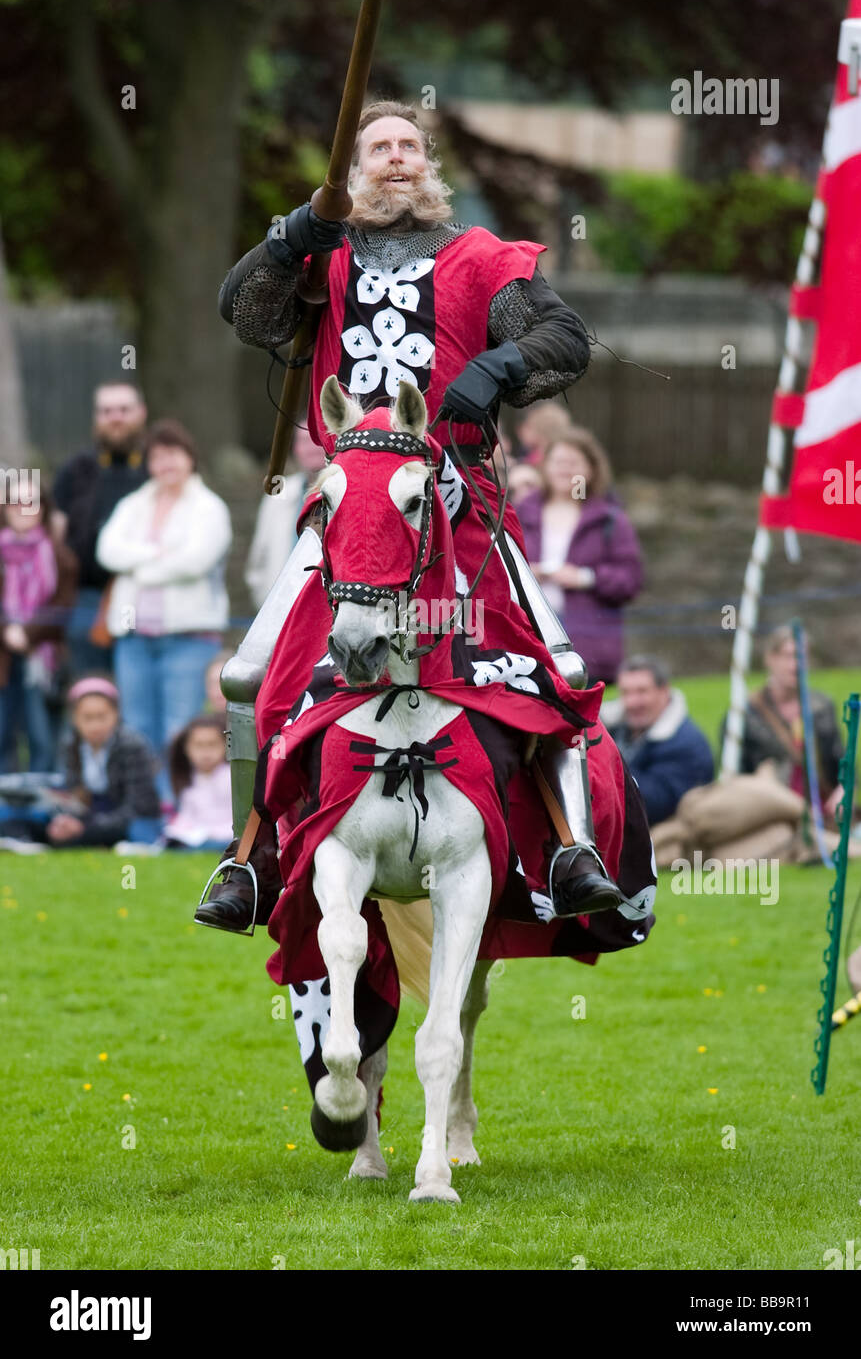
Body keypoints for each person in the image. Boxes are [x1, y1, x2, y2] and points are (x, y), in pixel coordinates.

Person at [201, 98, 655, 950]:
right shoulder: (318, 259)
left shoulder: (480, 257)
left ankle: (569, 851)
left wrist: (497, 364)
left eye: (409, 146)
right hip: (346, 518)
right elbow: (246, 311)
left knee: (550, 664)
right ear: (353, 167)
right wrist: (296, 231)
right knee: (252, 671)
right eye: (378, 148)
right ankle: (251, 857)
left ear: (429, 164)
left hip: (456, 510)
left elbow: (565, 336)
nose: (396, 159)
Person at [95, 419, 231, 799]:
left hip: (188, 638)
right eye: (156, 456)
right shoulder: (134, 503)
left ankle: (181, 812)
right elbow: (107, 551)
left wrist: (136, 565)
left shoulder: (209, 507)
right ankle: (144, 812)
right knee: (137, 728)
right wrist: (157, 555)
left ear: (189, 457)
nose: (165, 463)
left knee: (182, 728)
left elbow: (195, 561)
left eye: (173, 453)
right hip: (133, 636)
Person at [517, 429, 643, 683]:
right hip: (526, 638)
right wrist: (527, 574)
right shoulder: (521, 512)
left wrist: (585, 578)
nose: (564, 470)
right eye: (558, 462)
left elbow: (631, 579)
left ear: (591, 469)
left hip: (587, 645)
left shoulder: (611, 520)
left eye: (573, 463)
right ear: (545, 467)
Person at [53, 382, 148, 676]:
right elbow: (56, 533)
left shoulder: (159, 466)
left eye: (124, 410)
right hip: (87, 599)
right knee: (89, 689)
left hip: (145, 598)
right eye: (107, 411)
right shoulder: (75, 469)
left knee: (136, 692)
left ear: (141, 413)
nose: (115, 417)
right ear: (96, 418)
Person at [0, 677, 162, 849]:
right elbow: (72, 797)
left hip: (123, 820)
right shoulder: (72, 745)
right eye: (88, 718)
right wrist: (64, 820)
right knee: (20, 819)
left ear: (116, 714)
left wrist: (87, 826)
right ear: (75, 719)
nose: (95, 725)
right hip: (87, 818)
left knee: (124, 831)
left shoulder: (131, 745)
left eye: (102, 716)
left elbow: (138, 807)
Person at [723, 624, 846, 821]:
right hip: (770, 817)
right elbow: (734, 779)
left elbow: (842, 762)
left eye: (802, 656)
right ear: (770, 659)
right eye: (788, 656)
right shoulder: (744, 715)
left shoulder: (822, 707)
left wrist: (843, 791)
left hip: (823, 816)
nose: (796, 665)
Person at [0, 492, 78, 773]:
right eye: (14, 502)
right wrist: (8, 632)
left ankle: (39, 802)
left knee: (41, 736)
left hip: (44, 658)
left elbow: (63, 606)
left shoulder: (60, 555)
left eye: (30, 502)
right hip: (3, 658)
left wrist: (27, 635)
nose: (22, 509)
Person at [602, 655, 715, 825]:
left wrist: (601, 762)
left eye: (642, 692)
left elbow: (655, 806)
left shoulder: (686, 744)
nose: (632, 702)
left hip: (666, 841)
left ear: (664, 691)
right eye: (626, 692)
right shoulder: (611, 727)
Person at [245, 423, 327, 611]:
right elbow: (259, 559)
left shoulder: (350, 494)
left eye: (317, 440)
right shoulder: (277, 495)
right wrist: (266, 603)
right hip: (281, 612)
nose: (312, 448)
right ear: (295, 449)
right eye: (304, 441)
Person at [163, 715, 233, 851]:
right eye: (199, 746)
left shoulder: (229, 777)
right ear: (186, 749)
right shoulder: (189, 778)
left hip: (225, 835)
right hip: (196, 835)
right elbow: (187, 815)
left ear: (226, 745)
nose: (206, 753)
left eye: (212, 745)